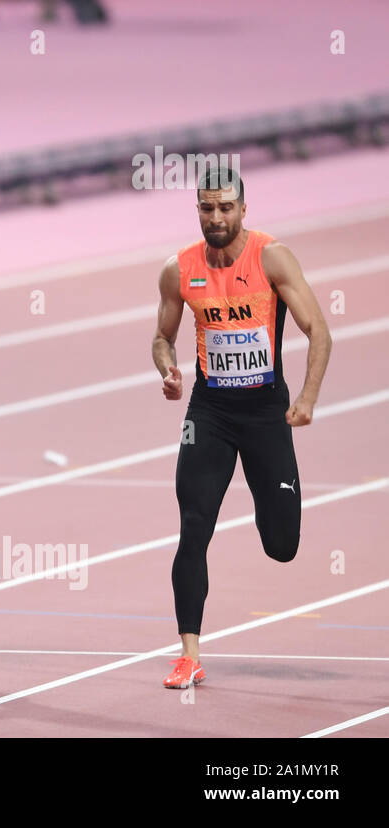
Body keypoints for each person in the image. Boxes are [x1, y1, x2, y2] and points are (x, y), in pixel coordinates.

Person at [152, 166, 332, 688]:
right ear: (198, 211)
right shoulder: (179, 269)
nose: (216, 217)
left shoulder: (271, 258)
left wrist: (307, 398)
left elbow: (318, 330)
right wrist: (167, 368)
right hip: (209, 412)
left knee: (282, 543)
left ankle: (269, 501)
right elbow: (161, 337)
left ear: (243, 210)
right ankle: (188, 653)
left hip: (265, 412)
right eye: (207, 208)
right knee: (193, 526)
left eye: (225, 208)